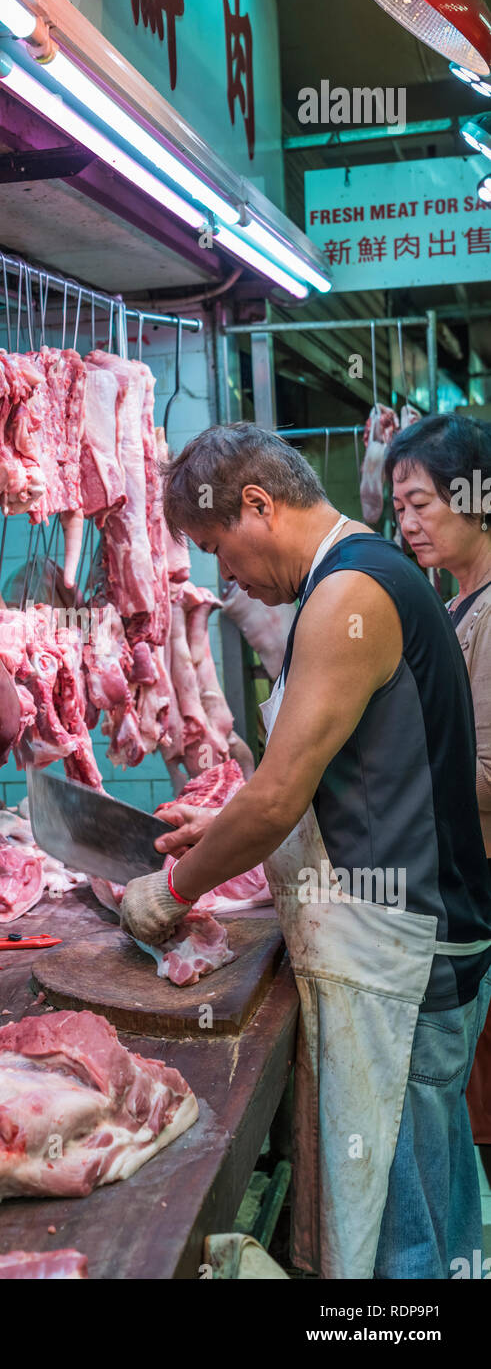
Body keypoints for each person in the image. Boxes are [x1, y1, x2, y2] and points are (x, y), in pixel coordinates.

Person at [120, 422, 491, 1280]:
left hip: (398, 960)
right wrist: (220, 833)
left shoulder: (349, 595)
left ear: (257, 505)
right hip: (403, 945)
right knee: (435, 1201)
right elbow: (330, 775)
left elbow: (282, 794)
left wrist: (170, 891)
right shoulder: (361, 575)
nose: (227, 575)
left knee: (400, 1227)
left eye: (219, 546)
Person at [386, 414, 491, 1186]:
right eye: (398, 509)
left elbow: (485, 771)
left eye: (421, 503)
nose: (408, 524)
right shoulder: (456, 604)